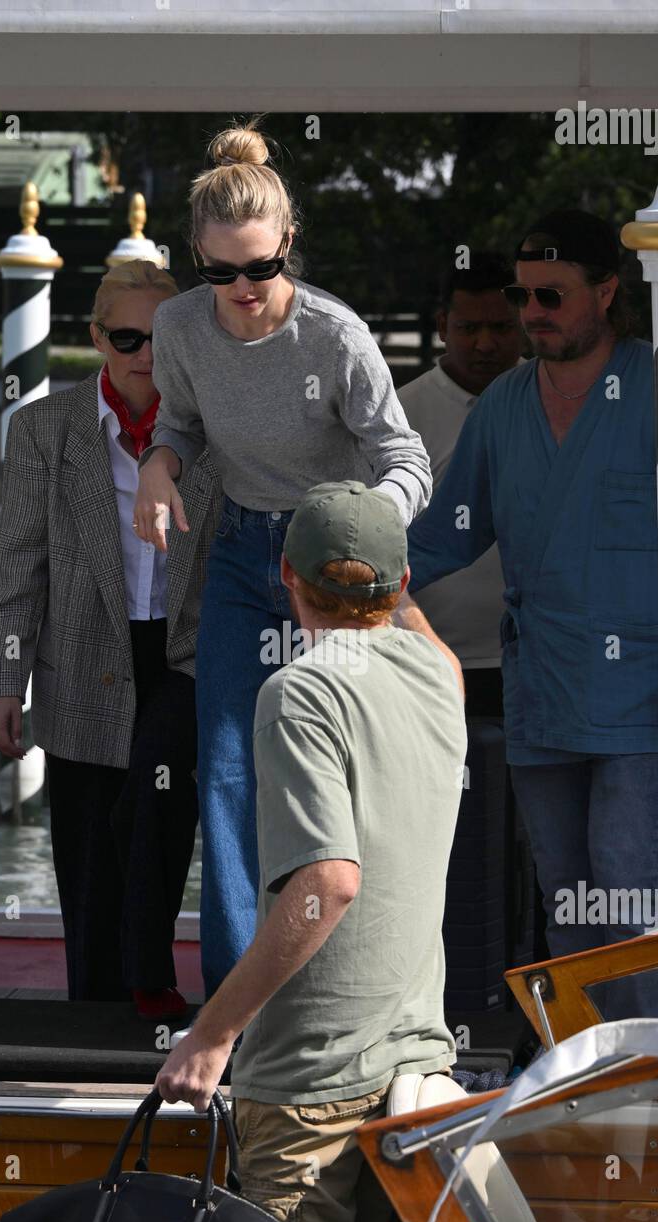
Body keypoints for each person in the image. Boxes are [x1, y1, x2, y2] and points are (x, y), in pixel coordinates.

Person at [132, 119, 433, 998]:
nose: (243, 289)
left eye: (260, 269)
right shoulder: (182, 327)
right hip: (239, 553)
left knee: (340, 766)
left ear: (288, 245)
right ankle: (239, 1002)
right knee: (223, 767)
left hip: (335, 570)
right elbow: (182, 423)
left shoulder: (336, 337)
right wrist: (158, 461)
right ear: (196, 258)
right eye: (220, 272)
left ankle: (348, 988)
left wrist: (363, 526)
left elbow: (405, 460)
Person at [155, 479, 466, 1222]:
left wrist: (213, 1034)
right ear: (400, 586)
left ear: (286, 579)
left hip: (307, 1086)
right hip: (416, 1070)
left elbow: (327, 882)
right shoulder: (441, 678)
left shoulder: (300, 693)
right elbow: (415, 624)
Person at [406, 209, 658, 1019]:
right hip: (541, 693)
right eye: (524, 297)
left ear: (607, 291)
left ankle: (652, 1068)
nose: (532, 313)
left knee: (631, 892)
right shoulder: (503, 408)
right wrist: (358, 571)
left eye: (551, 294)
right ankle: (581, 1074)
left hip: (645, 702)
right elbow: (451, 530)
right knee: (567, 896)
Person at [0, 259, 220, 1018]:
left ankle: (148, 977)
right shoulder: (44, 429)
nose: (144, 354)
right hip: (83, 657)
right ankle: (93, 1012)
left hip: (183, 655)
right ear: (95, 339)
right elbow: (19, 565)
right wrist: (2, 681)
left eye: (160, 338)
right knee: (85, 853)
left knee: (153, 804)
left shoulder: (216, 429)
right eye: (126, 337)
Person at [397, 252, 523, 715]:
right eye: (469, 329)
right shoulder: (398, 416)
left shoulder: (555, 398)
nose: (485, 344)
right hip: (426, 659)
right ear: (442, 325)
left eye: (502, 328)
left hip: (536, 660)